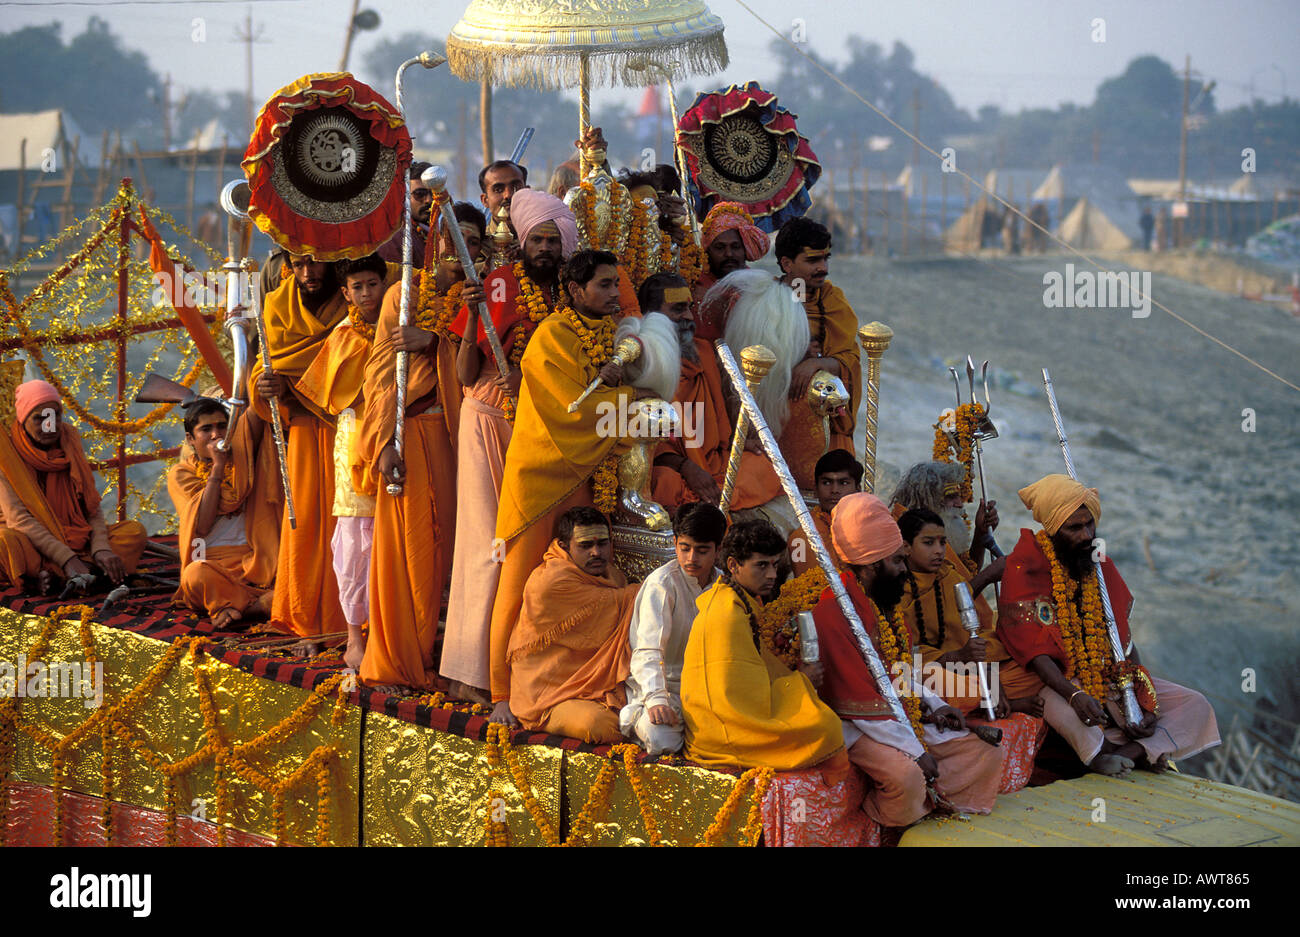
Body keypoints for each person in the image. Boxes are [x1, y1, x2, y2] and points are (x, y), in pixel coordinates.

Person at [486, 248, 636, 726]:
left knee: (588, 578)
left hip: (586, 470)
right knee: (517, 585)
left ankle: (575, 682)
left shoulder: (609, 335)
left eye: (617, 284)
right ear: (575, 291)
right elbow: (572, 410)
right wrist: (631, 400)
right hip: (542, 480)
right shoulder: (551, 336)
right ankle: (500, 694)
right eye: (606, 285)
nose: (616, 294)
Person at [441, 190, 576, 704]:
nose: (543, 247)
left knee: (529, 547)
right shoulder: (497, 284)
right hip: (490, 415)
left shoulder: (570, 292)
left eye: (551, 240)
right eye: (536, 239)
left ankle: (523, 666)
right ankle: (470, 672)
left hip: (541, 423)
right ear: (522, 242)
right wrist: (473, 318)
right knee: (485, 546)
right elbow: (464, 373)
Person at [997, 474, 1220, 776]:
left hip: (1106, 676)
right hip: (1053, 681)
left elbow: (1122, 639)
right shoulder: (1025, 566)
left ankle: (1130, 751)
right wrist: (1074, 695)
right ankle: (1105, 754)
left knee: (1195, 704)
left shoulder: (1097, 564)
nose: (1087, 535)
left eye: (1090, 524)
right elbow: (1036, 656)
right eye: (1074, 528)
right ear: (1051, 529)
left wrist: (1142, 691)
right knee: (1060, 705)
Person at [812, 493, 1004, 827]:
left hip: (894, 712)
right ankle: (879, 824)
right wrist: (916, 751)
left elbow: (897, 670)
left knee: (983, 752)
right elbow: (860, 705)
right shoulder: (833, 612)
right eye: (898, 562)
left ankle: (940, 806)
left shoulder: (882, 603)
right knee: (909, 775)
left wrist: (934, 704)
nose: (905, 569)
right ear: (872, 565)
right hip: (853, 725)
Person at [353, 214, 484, 693]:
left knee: (456, 547)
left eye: (472, 241)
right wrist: (384, 442)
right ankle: (397, 660)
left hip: (460, 440)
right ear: (434, 245)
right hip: (411, 436)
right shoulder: (403, 295)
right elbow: (380, 375)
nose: (461, 250)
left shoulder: (481, 297)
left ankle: (453, 660)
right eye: (453, 240)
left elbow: (485, 372)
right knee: (408, 553)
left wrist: (436, 343)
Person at [680, 518, 845, 771]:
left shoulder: (739, 600)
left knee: (822, 716)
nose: (771, 575)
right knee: (826, 725)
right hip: (721, 733)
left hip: (736, 716)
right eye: (761, 566)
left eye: (775, 565)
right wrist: (801, 682)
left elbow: (757, 674)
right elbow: (739, 703)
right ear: (734, 565)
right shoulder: (727, 614)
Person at [296, 253, 395, 671]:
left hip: (396, 435)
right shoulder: (344, 335)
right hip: (356, 439)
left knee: (392, 536)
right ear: (346, 292)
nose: (367, 294)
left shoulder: (399, 328)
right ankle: (356, 636)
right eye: (358, 287)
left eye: (373, 284)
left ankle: (393, 635)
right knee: (356, 540)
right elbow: (331, 398)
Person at [249, 253, 349, 647]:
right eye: (300, 264)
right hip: (306, 430)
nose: (309, 273)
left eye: (316, 263)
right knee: (305, 522)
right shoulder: (278, 305)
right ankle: (305, 616)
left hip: (349, 426)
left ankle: (349, 619)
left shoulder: (354, 298)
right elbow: (265, 363)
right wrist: (264, 386)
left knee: (350, 527)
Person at [644, 272, 781, 516]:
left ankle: (705, 502)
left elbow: (717, 421)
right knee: (663, 481)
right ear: (652, 318)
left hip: (714, 461)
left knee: (762, 464)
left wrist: (736, 443)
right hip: (672, 466)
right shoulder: (643, 363)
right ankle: (708, 502)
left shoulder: (704, 350)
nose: (687, 317)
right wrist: (686, 466)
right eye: (677, 309)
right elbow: (646, 445)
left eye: (689, 307)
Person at [0, 381, 147, 593]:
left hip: (77, 540)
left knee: (133, 532)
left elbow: (92, 508)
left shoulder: (69, 442)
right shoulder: (6, 455)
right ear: (23, 419)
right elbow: (19, 520)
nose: (49, 425)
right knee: (5, 541)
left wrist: (100, 549)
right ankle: (62, 575)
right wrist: (67, 559)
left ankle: (59, 578)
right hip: (30, 542)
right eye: (39, 418)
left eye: (55, 416)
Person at [507, 507, 638, 743]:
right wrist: (660, 585)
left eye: (603, 544)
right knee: (603, 726)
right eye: (585, 546)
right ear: (565, 546)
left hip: (592, 683)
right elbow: (621, 602)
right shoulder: (552, 582)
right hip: (548, 695)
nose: (597, 553)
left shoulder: (610, 574)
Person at [897, 507, 1043, 716]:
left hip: (972, 667)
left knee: (1037, 668)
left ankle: (991, 697)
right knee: (940, 682)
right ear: (906, 547)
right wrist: (958, 656)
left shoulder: (949, 575)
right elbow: (911, 655)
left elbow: (975, 630)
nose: (939, 550)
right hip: (937, 671)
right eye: (928, 543)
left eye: (942, 542)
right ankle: (1000, 701)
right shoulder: (897, 589)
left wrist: (981, 665)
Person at [620, 502, 726, 754]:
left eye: (701, 551)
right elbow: (648, 649)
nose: (691, 559)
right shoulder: (662, 584)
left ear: (718, 550)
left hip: (710, 690)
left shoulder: (725, 584)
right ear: (675, 542)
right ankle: (636, 718)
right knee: (661, 741)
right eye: (684, 548)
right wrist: (656, 698)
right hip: (666, 689)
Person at [166, 397, 279, 628]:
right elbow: (203, 524)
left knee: (307, 582)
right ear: (190, 439)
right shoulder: (181, 474)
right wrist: (218, 468)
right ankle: (258, 606)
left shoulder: (244, 463)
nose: (216, 435)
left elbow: (256, 414)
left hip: (256, 565)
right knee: (194, 575)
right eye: (206, 429)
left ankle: (238, 608)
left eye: (221, 426)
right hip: (212, 569)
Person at [774, 217, 861, 490]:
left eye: (826, 258)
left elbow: (850, 359)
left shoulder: (833, 300)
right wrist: (792, 358)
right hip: (777, 421)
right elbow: (752, 359)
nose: (823, 268)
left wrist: (816, 364)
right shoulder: (767, 300)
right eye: (812, 261)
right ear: (787, 264)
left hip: (829, 426)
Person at [692, 202, 769, 341]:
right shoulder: (693, 284)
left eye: (735, 246)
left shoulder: (760, 287)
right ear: (707, 250)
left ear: (746, 249)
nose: (729, 254)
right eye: (720, 247)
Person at [788, 449, 861, 575]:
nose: (834, 490)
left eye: (843, 483)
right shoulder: (802, 538)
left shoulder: (867, 528)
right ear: (815, 489)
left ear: (857, 490)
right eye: (826, 482)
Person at [376, 161, 434, 263]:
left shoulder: (436, 234)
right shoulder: (393, 240)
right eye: (420, 194)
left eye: (434, 193)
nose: (429, 200)